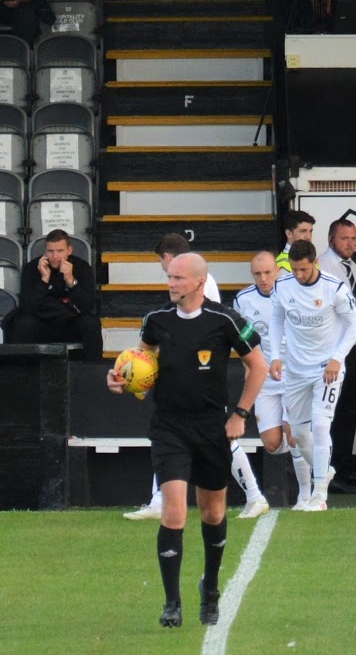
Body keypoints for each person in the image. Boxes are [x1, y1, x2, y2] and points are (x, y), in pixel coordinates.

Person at [108, 253, 267, 629]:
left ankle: (209, 589)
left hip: (212, 428)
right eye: (170, 277)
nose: (171, 283)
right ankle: (172, 603)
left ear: (199, 281)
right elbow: (139, 361)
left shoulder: (227, 320)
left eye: (179, 278)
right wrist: (119, 380)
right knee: (174, 512)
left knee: (213, 513)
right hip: (169, 427)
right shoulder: (156, 320)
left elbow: (258, 366)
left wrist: (240, 415)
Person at [124, 233, 226, 521]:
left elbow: (207, 328)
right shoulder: (186, 288)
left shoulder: (203, 289)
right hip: (184, 390)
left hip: (202, 380)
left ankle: (254, 494)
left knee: (223, 439)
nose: (169, 281)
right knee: (169, 439)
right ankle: (158, 499)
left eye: (168, 272)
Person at [268, 240, 356, 511]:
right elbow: (277, 319)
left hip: (326, 369)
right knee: (298, 434)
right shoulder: (283, 286)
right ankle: (325, 470)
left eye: (304, 270)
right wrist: (276, 355)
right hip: (295, 370)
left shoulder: (334, 287)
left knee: (321, 425)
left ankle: (320, 495)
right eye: (295, 270)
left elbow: (355, 323)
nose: (299, 275)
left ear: (315, 263)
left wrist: (337, 357)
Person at [229, 252, 291, 519]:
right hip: (264, 379)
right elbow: (241, 342)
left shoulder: (291, 291)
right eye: (257, 274)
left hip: (293, 375)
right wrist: (249, 371)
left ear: (277, 270)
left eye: (267, 272)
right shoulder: (243, 300)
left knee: (295, 434)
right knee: (272, 443)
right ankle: (313, 450)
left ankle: (310, 493)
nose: (263, 279)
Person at [317, 218, 356, 493]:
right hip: (334, 351)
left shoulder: (351, 265)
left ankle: (345, 467)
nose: (350, 243)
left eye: (353, 238)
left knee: (350, 411)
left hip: (354, 347)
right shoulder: (323, 267)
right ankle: (331, 473)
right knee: (334, 412)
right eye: (344, 238)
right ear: (331, 240)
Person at [5, 229, 100, 360]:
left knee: (91, 322)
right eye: (50, 251)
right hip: (42, 324)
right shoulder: (32, 268)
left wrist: (71, 281)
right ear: (45, 251)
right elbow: (27, 307)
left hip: (69, 323)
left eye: (60, 251)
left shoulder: (81, 267)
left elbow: (87, 306)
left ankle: (92, 372)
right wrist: (44, 280)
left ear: (69, 250)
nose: (55, 256)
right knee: (22, 323)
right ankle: (22, 374)